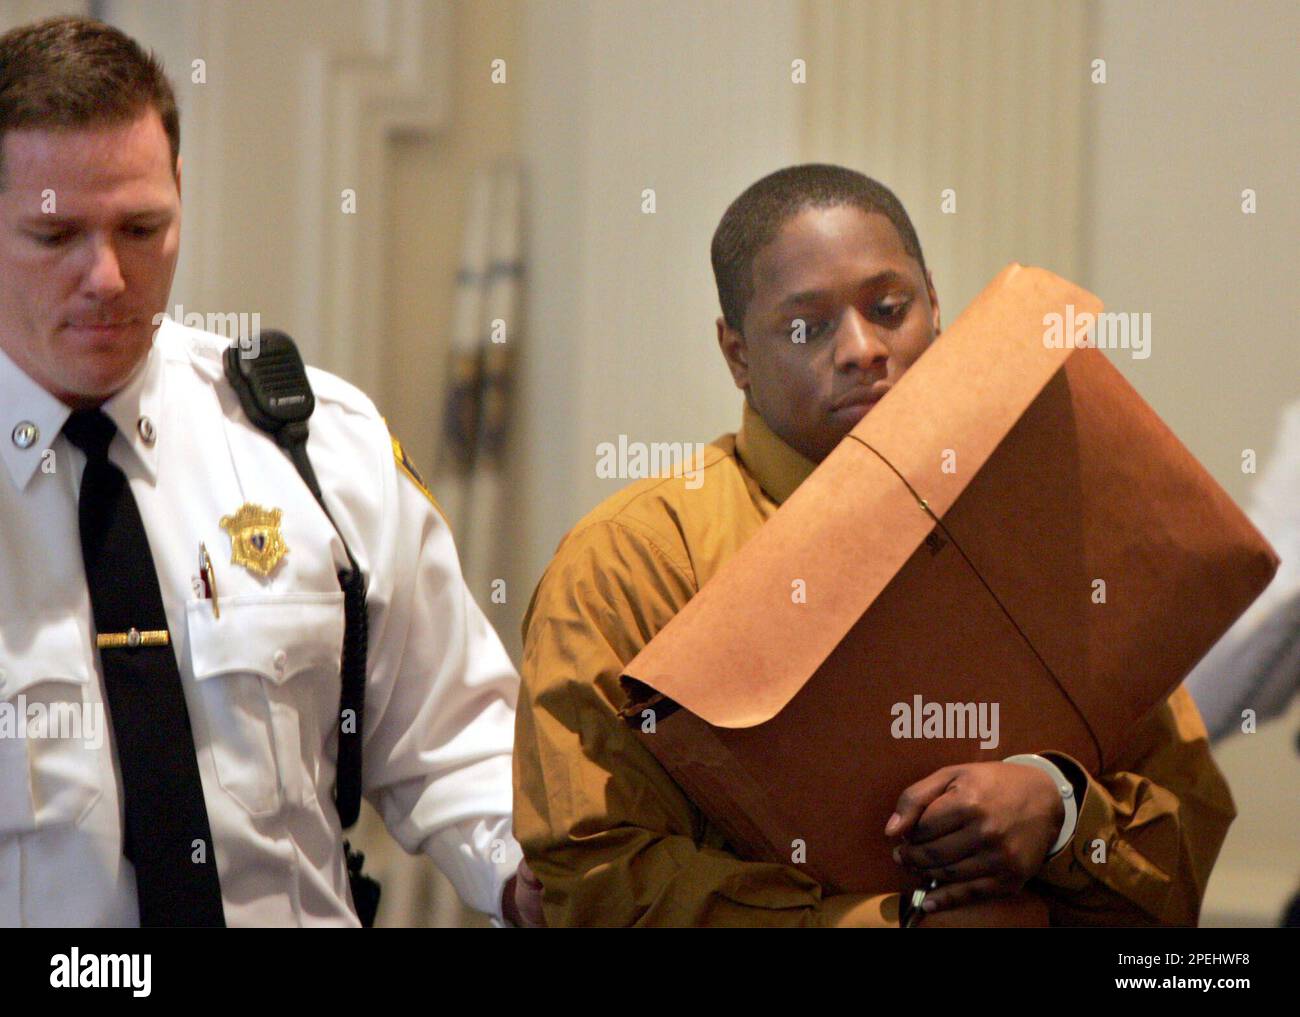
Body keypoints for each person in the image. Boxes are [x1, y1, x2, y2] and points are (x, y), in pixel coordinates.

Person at [513, 164, 1236, 927]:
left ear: (936, 307)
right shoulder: (630, 563)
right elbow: (593, 874)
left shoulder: (1051, 518)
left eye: (890, 309)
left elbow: (1185, 832)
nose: (863, 348)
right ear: (738, 355)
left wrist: (1056, 809)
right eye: (808, 326)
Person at [0, 15, 539, 927]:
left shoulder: (314, 444)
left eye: (141, 227)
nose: (106, 276)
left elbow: (459, 743)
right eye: (54, 237)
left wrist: (538, 882)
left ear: (181, 198)